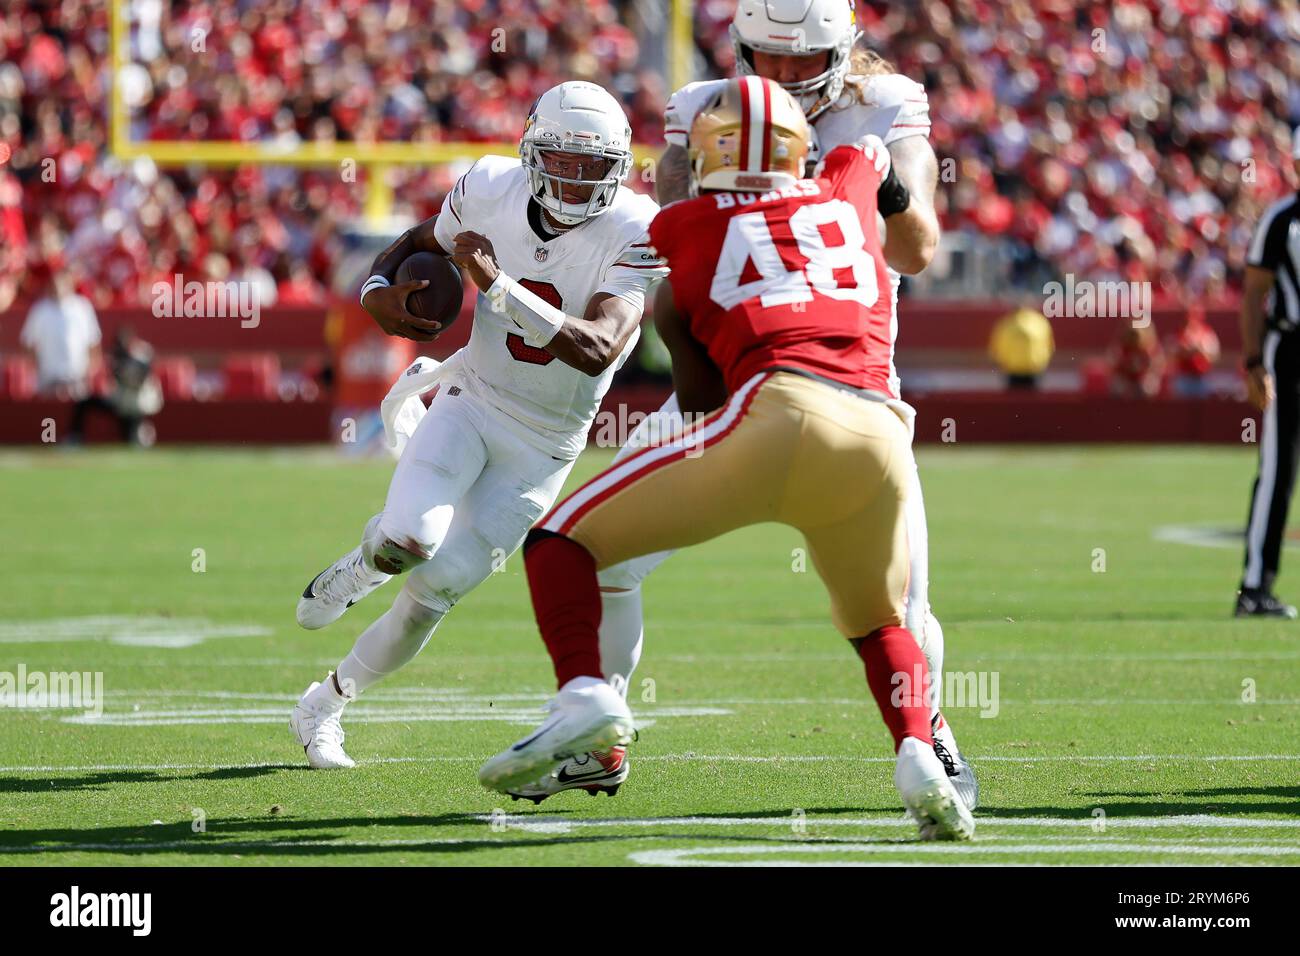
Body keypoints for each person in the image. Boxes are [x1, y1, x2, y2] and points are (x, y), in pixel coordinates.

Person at [505, 0, 976, 807]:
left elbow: (918, 249)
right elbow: (677, 236)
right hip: (761, 381)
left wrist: (873, 178)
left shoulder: (883, 105)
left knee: (902, 599)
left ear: (842, 52)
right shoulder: (705, 110)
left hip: (843, 372)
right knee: (612, 559)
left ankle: (931, 737)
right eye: (771, 60)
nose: (787, 76)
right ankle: (598, 746)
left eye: (803, 63)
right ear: (742, 49)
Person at [287, 81, 667, 768]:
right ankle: (368, 559)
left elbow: (599, 348)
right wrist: (378, 293)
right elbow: (413, 241)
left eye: (594, 166)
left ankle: (324, 704)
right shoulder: (491, 186)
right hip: (474, 395)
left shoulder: (635, 228)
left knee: (433, 592)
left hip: (546, 444)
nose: (577, 181)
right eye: (564, 161)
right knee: (408, 539)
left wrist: (497, 288)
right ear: (531, 152)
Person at [1235, 133, 1300, 618]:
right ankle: (1256, 586)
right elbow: (1254, 292)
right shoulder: (1281, 220)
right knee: (1278, 469)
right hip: (1290, 349)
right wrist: (1255, 362)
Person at [68, 326, 162, 445]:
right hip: (119, 403)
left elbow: (138, 379)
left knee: (131, 439)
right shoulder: (117, 355)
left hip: (137, 406)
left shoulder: (142, 353)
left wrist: (122, 367)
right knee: (84, 403)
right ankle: (75, 437)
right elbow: (114, 378)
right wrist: (115, 366)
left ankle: (141, 435)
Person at [19, 265, 101, 400]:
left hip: (77, 380)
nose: (58, 286)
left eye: (62, 282)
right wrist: (38, 369)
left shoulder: (82, 307)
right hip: (48, 380)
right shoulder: (40, 310)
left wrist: (89, 372)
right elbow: (27, 342)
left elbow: (93, 342)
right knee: (49, 418)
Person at [989, 303, 1054, 390]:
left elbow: (995, 350)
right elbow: (1050, 347)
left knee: (1013, 401)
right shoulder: (1040, 322)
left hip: (1012, 371)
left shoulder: (1006, 324)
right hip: (1034, 370)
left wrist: (1001, 364)